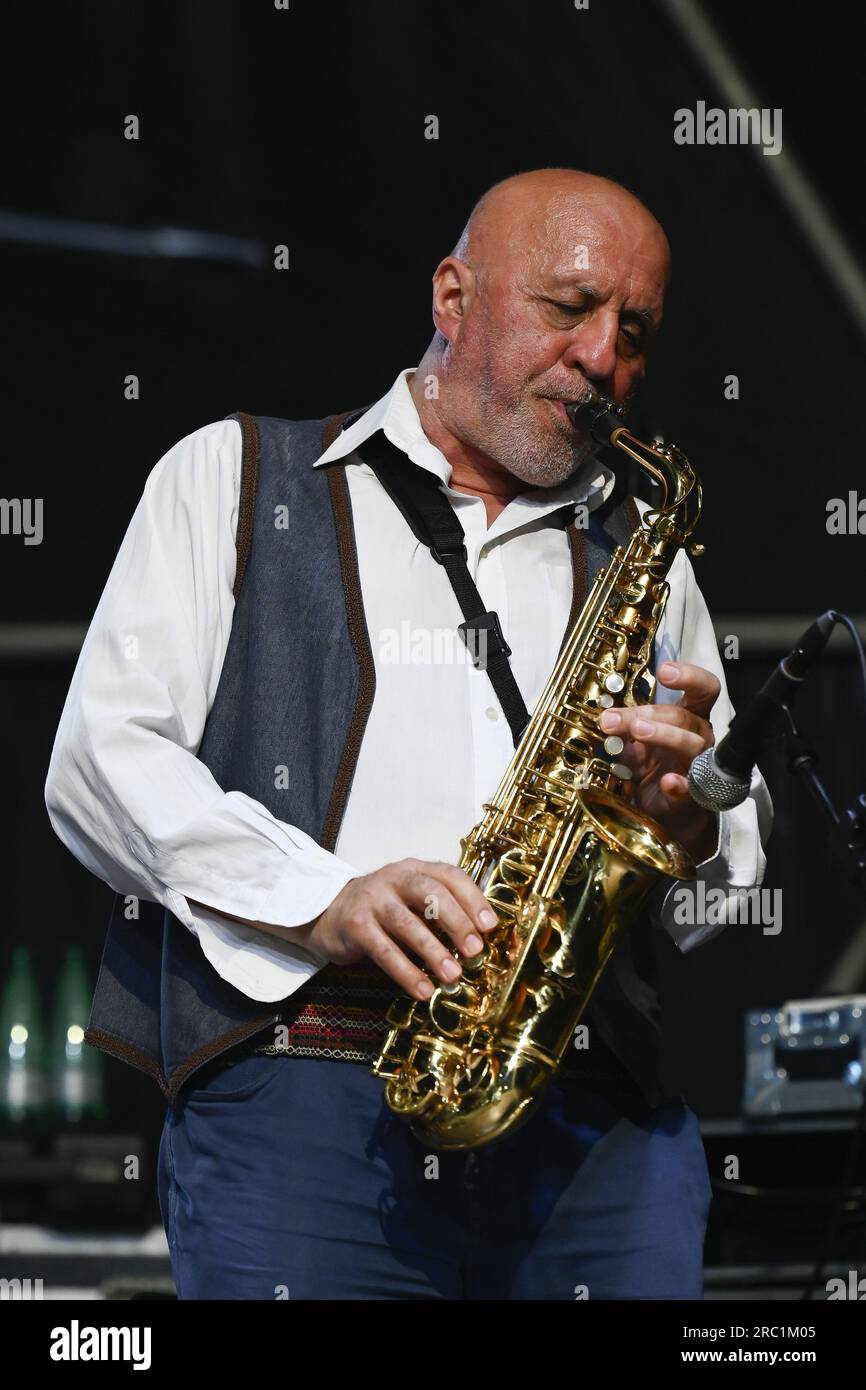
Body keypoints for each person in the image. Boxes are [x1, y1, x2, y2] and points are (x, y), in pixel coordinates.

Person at [45, 167, 771, 1300]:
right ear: (450, 297)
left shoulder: (647, 553)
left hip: (590, 1129)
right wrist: (322, 897)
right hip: (306, 1103)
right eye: (568, 308)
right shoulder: (231, 475)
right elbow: (101, 760)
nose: (601, 360)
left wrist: (690, 827)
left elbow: (725, 892)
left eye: (633, 329)